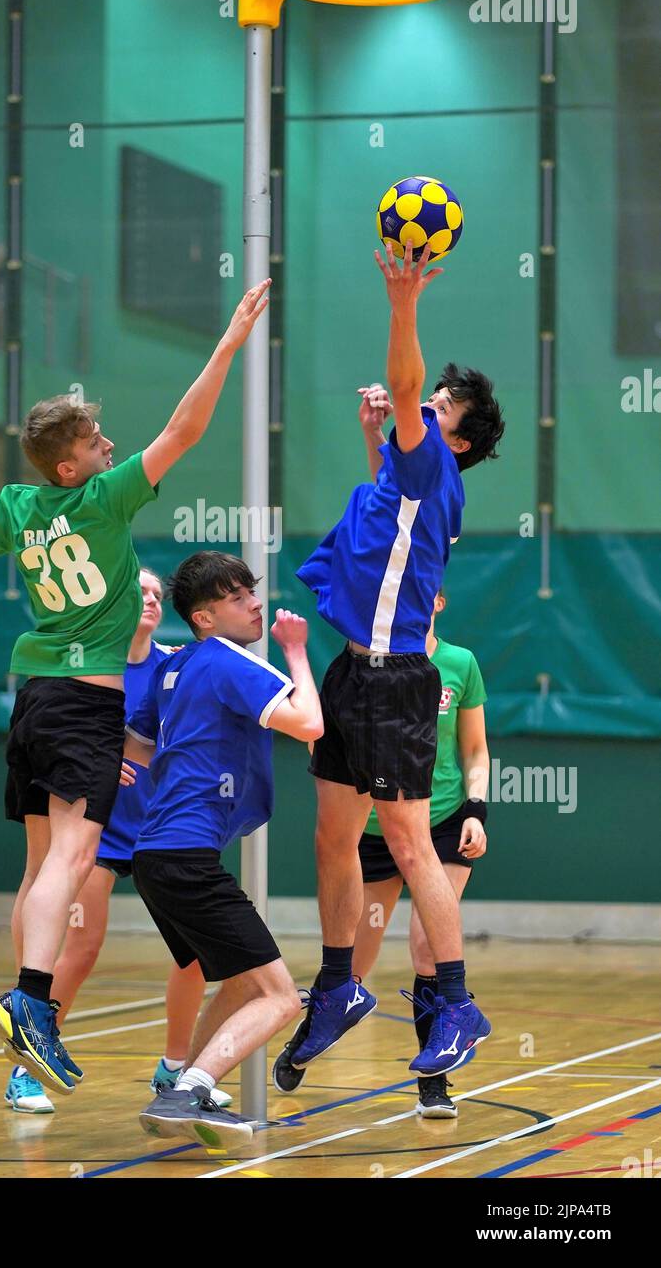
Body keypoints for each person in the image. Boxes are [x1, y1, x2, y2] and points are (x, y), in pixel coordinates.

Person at [0, 279, 271, 1097]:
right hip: (83, 702)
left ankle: (28, 1009)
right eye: (96, 435)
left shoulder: (16, 506)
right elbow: (186, 428)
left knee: (42, 863)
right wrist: (228, 342)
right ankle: (32, 1001)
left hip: (32, 699)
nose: (109, 441)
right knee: (73, 860)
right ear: (71, 464)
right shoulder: (104, 498)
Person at [292, 240, 504, 1080]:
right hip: (352, 671)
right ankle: (340, 984)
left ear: (451, 440)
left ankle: (455, 1002)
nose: (430, 401)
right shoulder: (406, 472)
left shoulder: (433, 466)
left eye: (444, 405)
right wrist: (374, 438)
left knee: (413, 846)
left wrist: (402, 299)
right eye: (435, 396)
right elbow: (384, 521)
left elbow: (408, 385)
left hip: (395, 680)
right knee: (333, 838)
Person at [3, 567, 230, 1113]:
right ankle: (27, 1062)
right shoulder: (90, 673)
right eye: (140, 592)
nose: (150, 600)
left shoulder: (175, 664)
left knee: (196, 953)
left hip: (160, 829)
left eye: (157, 594)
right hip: (98, 830)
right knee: (80, 947)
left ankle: (176, 1067)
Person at [126, 552, 323, 1149]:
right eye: (239, 598)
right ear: (205, 617)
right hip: (185, 857)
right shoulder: (228, 659)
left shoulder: (174, 667)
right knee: (282, 997)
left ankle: (182, 1086)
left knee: (240, 983)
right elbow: (309, 724)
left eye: (252, 592)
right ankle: (193, 1089)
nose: (257, 603)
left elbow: (133, 747)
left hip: (156, 857)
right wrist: (294, 650)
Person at [273, 584, 490, 1118]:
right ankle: (320, 1019)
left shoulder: (457, 664)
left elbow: (477, 748)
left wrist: (476, 809)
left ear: (436, 600)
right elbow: (319, 737)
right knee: (356, 958)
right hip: (370, 830)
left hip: (438, 825)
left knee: (425, 952)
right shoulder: (356, 668)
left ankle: (434, 1082)